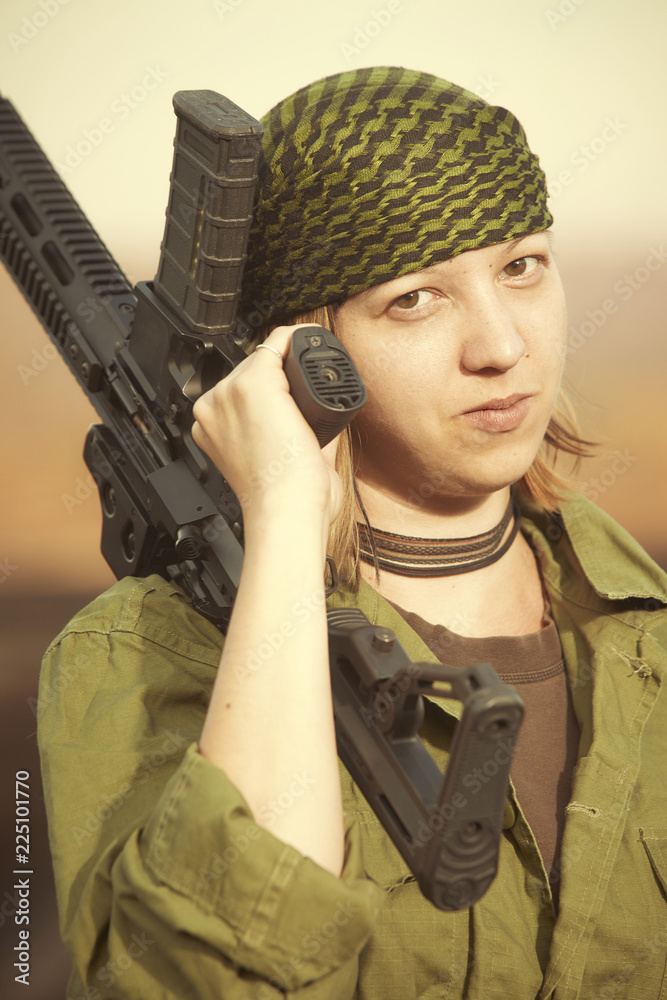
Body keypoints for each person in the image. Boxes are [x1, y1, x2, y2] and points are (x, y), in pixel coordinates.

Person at [38, 67, 667, 1000]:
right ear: (297, 355)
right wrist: (287, 514)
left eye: (521, 266)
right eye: (414, 297)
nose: (501, 345)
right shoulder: (135, 656)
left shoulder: (644, 635)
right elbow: (212, 980)